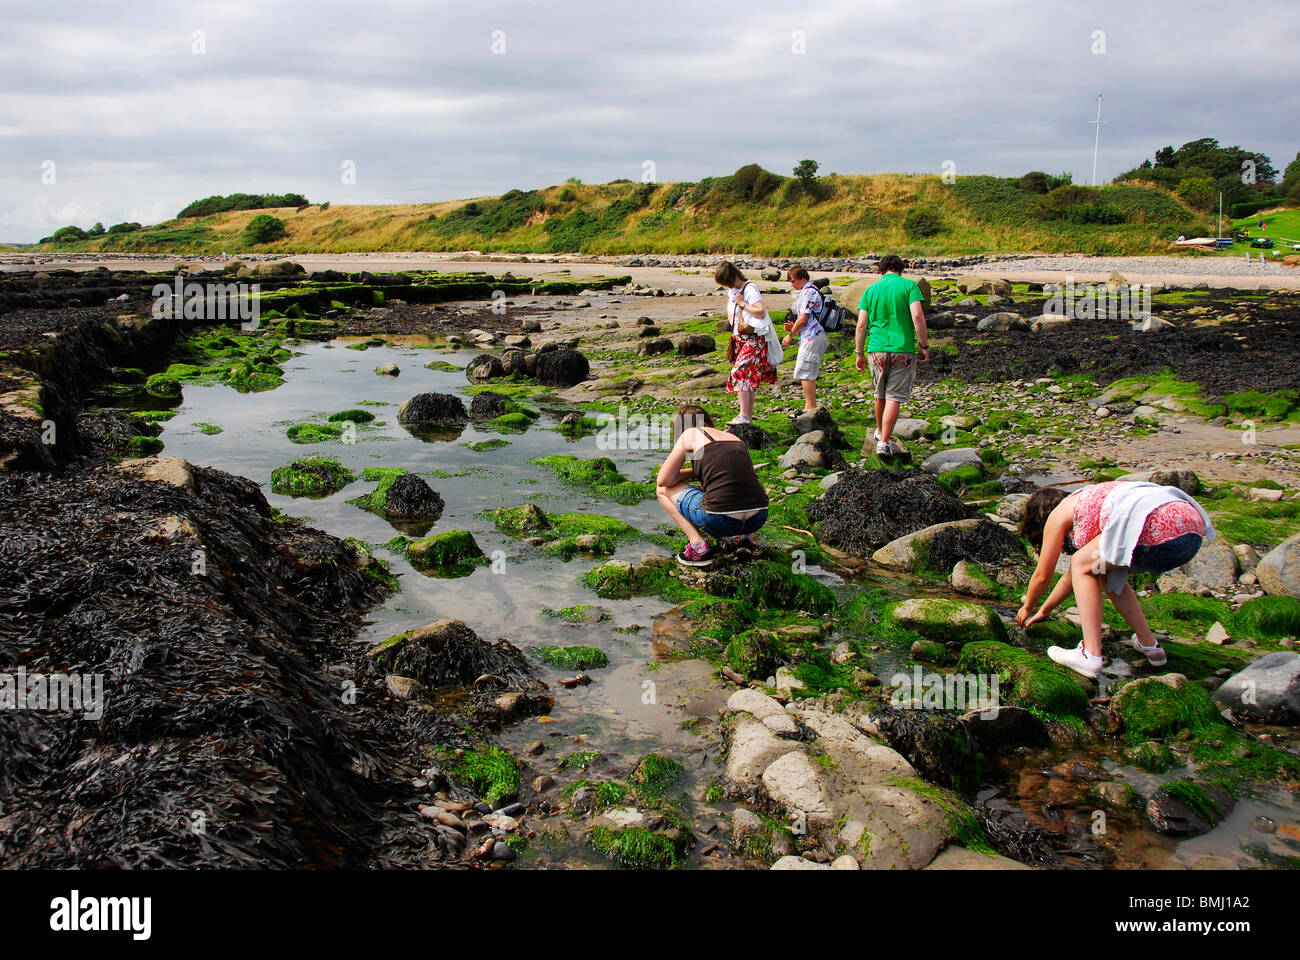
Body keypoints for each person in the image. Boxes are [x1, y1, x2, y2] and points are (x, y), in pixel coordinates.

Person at [1016, 480, 1216, 679]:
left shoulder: (1060, 512)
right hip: (1190, 531)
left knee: (1081, 563)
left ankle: (1090, 656)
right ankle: (1150, 646)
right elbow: (1071, 578)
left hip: (1158, 526)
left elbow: (1043, 575)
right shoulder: (1095, 503)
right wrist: (1045, 609)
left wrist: (1027, 607)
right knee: (1105, 573)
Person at [655, 404, 769, 567]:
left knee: (662, 491)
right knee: (744, 487)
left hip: (720, 520)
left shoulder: (690, 433)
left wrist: (690, 472)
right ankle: (747, 541)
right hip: (758, 518)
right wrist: (695, 471)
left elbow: (663, 480)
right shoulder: (733, 438)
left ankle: (697, 547)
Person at [854, 254, 929, 455]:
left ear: (881, 270)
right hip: (902, 348)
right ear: (901, 269)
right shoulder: (910, 286)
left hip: (877, 348)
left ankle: (879, 431)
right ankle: (884, 442)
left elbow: (861, 325)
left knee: (880, 395)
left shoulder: (871, 290)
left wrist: (859, 352)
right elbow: (917, 315)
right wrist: (924, 345)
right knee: (894, 396)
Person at [716, 261, 779, 426]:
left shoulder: (750, 288)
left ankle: (744, 416)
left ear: (734, 277)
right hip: (740, 339)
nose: (727, 286)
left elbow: (760, 311)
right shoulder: (733, 291)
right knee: (748, 377)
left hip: (753, 339)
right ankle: (747, 417)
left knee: (740, 373)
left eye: (727, 282)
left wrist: (743, 303)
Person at [782, 266, 829, 416]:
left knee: (806, 372)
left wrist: (790, 334)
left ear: (803, 278)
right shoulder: (810, 291)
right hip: (814, 335)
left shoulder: (808, 292)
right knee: (808, 372)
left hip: (812, 336)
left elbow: (803, 319)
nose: (792, 284)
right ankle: (809, 406)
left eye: (793, 281)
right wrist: (795, 327)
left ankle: (811, 408)